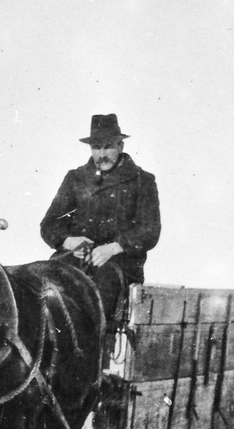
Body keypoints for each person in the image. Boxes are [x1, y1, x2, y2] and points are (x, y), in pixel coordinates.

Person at [40, 113, 161, 324]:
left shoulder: (142, 181)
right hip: (75, 258)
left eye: (108, 147)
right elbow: (50, 224)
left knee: (96, 297)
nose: (102, 154)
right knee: (43, 286)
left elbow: (149, 230)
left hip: (119, 264)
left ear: (121, 146)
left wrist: (113, 248)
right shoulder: (76, 178)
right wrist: (69, 241)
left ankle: (93, 351)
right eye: (96, 147)